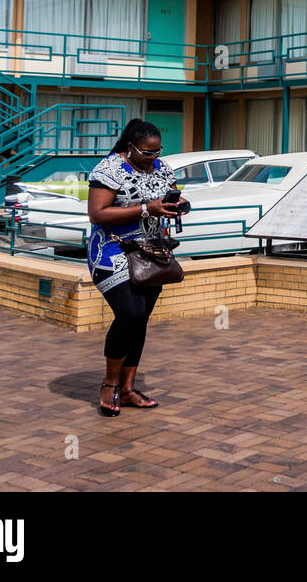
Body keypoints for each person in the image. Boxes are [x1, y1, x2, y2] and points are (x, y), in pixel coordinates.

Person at [86, 118, 187, 417]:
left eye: (157, 151)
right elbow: (97, 214)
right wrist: (146, 208)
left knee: (141, 318)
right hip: (112, 251)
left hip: (151, 252)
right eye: (146, 152)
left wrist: (178, 203)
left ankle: (128, 388)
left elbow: (170, 193)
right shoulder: (108, 171)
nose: (153, 158)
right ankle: (109, 384)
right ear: (130, 147)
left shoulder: (162, 167)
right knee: (129, 313)